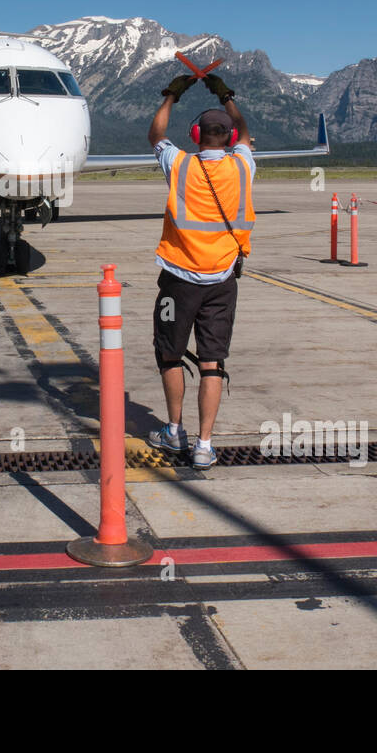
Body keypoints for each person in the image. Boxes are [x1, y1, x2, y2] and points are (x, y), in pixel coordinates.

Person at [145, 70, 255, 469]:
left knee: (170, 356)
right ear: (227, 140)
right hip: (223, 280)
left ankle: (174, 430)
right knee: (213, 361)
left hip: (179, 280)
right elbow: (244, 131)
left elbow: (156, 134)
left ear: (194, 136)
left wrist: (171, 95)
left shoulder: (180, 166)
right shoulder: (243, 166)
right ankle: (205, 444)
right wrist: (226, 93)